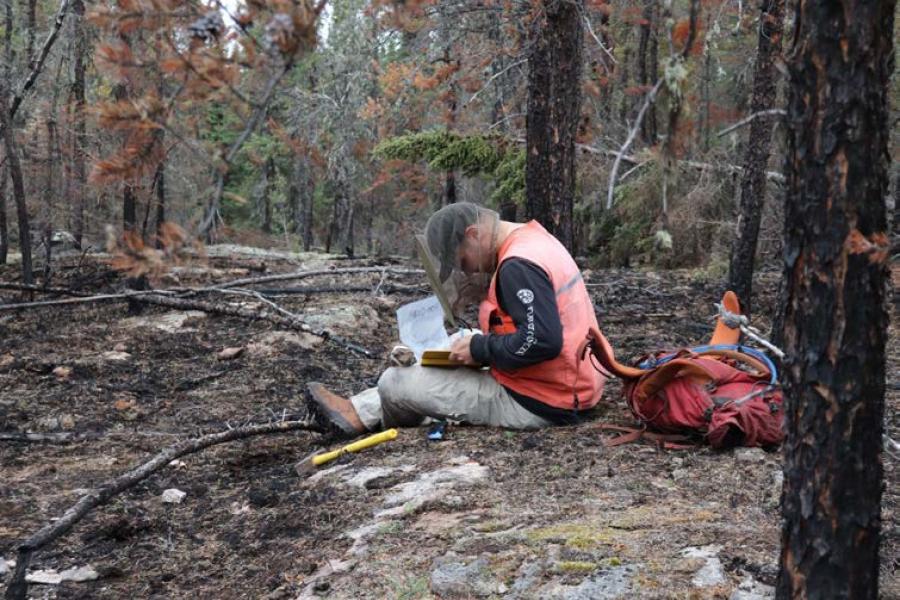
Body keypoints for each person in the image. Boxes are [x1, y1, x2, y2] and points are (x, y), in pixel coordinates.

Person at [307, 202, 605, 434]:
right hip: (571, 383)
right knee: (460, 340)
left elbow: (542, 340)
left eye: (463, 260)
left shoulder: (518, 266)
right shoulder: (533, 239)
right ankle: (357, 412)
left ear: (473, 235)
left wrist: (479, 350)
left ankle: (380, 414)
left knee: (393, 382)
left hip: (542, 401)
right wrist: (475, 346)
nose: (470, 271)